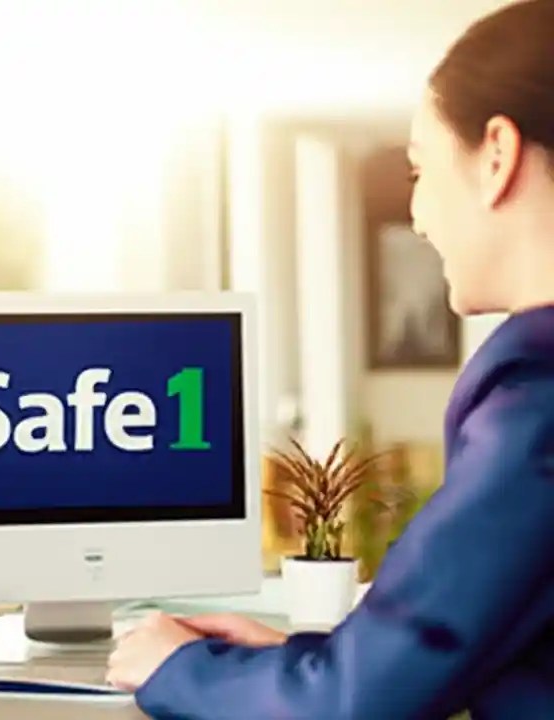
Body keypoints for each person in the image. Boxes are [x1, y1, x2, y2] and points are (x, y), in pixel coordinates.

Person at [106, 1, 554, 717]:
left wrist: (176, 669)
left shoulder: (538, 389)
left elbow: (356, 703)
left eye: (418, 172)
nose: (418, 216)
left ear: (496, 155)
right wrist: (296, 662)